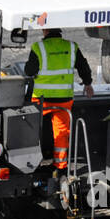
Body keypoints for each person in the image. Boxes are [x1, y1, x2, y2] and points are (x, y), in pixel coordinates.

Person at [24, 28, 93, 175]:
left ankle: (31, 165)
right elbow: (83, 67)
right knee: (61, 132)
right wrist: (88, 84)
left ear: (45, 31)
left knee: (32, 132)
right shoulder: (72, 47)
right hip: (64, 99)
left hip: (41, 99)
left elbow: (29, 71)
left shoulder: (38, 47)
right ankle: (60, 167)